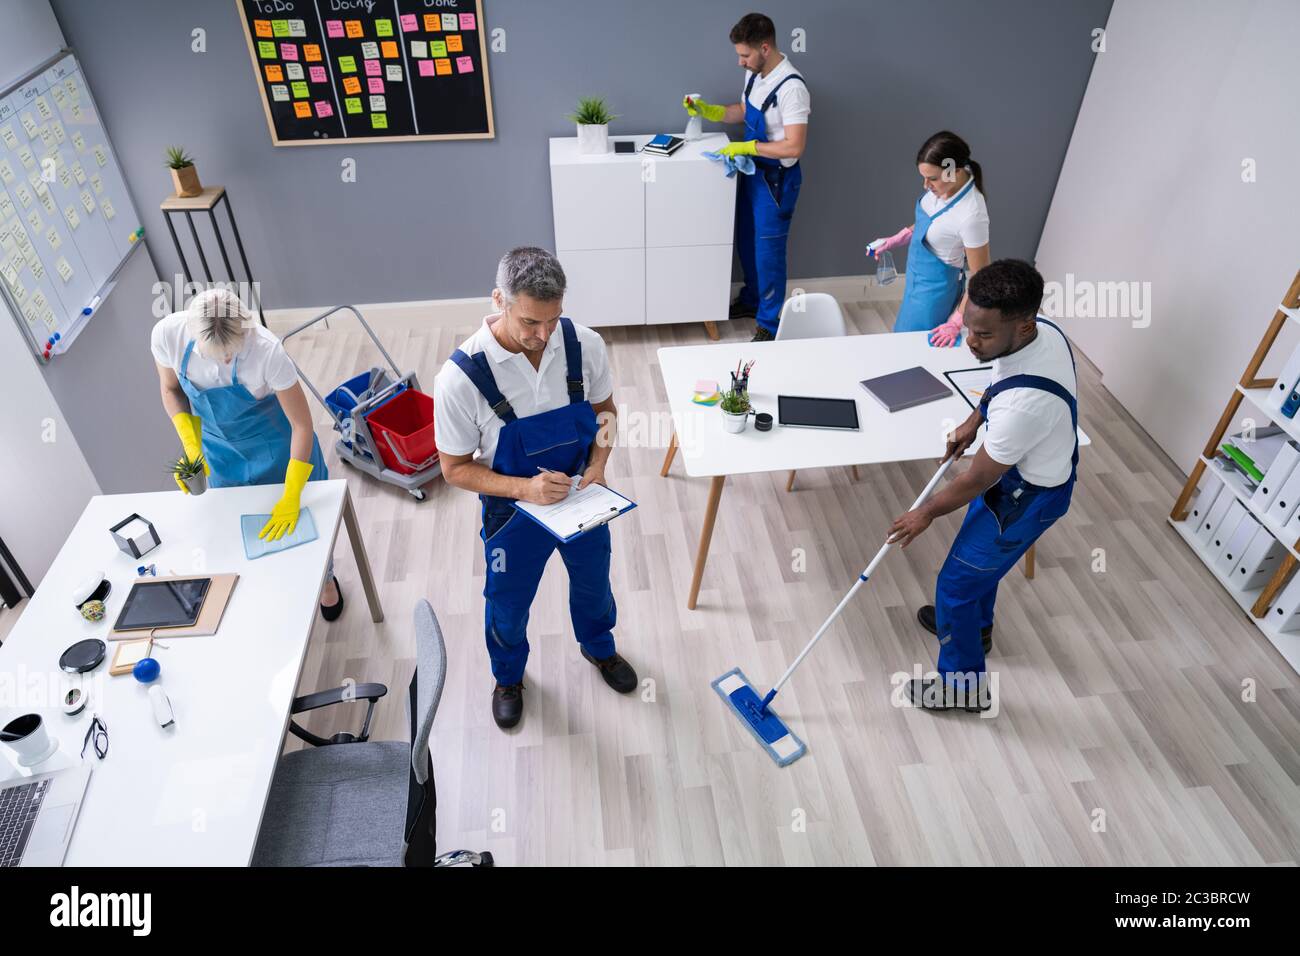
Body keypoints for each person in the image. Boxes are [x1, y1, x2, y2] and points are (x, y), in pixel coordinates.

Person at [433, 247, 638, 730]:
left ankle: (599, 648)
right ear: (499, 300)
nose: (543, 335)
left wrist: (600, 464)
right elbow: (454, 469)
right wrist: (525, 489)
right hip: (511, 515)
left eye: (553, 320)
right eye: (530, 322)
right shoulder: (460, 380)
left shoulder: (584, 344)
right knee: (507, 601)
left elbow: (605, 412)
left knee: (594, 584)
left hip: (581, 497)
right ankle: (508, 677)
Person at [886, 260, 1077, 711]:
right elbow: (1001, 375)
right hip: (1016, 473)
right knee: (974, 574)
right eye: (970, 326)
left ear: (1024, 324)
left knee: (954, 584)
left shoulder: (1024, 409)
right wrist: (974, 420)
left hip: (1027, 497)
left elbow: (977, 477)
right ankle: (977, 628)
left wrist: (925, 512)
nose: (970, 342)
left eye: (983, 335)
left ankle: (963, 689)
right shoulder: (1042, 331)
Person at [152, 288, 343, 620]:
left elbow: (301, 424)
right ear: (193, 336)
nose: (225, 361)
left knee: (306, 530)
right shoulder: (168, 335)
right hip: (220, 454)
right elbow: (170, 390)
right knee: (243, 534)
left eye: (231, 353)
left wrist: (293, 492)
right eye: (216, 355)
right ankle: (273, 590)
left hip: (278, 448)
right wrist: (191, 444)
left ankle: (325, 581)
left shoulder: (267, 351)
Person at [685, 12, 809, 342]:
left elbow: (795, 146)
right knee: (746, 242)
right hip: (753, 174)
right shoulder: (755, 75)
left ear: (765, 48)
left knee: (769, 253)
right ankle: (753, 300)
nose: (740, 62)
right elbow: (742, 111)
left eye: (745, 55)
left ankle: (769, 323)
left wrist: (749, 146)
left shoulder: (792, 88)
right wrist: (710, 111)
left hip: (777, 182)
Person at [869, 131, 991, 343]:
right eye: (924, 177)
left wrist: (956, 322)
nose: (926, 186)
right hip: (915, 282)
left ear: (954, 170)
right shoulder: (943, 188)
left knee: (912, 347)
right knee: (900, 341)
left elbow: (982, 278)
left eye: (932, 179)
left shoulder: (971, 216)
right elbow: (932, 222)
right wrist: (896, 239)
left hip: (934, 296)